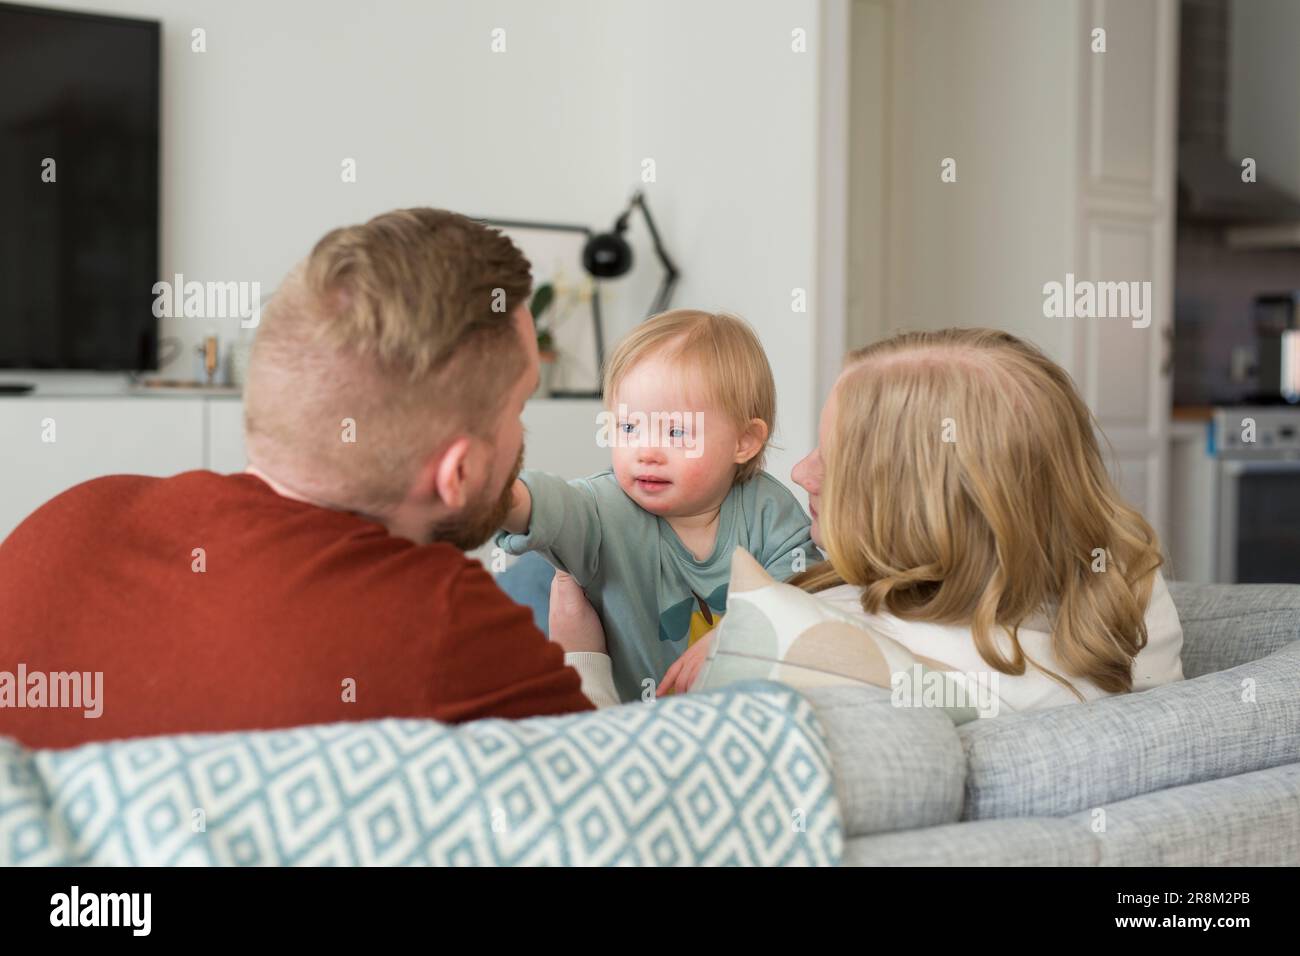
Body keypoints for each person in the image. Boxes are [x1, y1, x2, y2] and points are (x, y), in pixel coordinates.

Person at [0, 208, 599, 749]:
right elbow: (623, 797)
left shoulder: (71, 515)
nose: (522, 432)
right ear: (459, 471)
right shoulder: (446, 622)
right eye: (520, 406)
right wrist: (583, 651)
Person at [496, 310, 816, 702]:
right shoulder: (606, 507)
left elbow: (804, 590)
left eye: (677, 431)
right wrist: (501, 495)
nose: (646, 452)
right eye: (629, 427)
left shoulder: (768, 511)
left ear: (744, 441)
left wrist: (734, 636)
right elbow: (558, 509)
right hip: (628, 719)